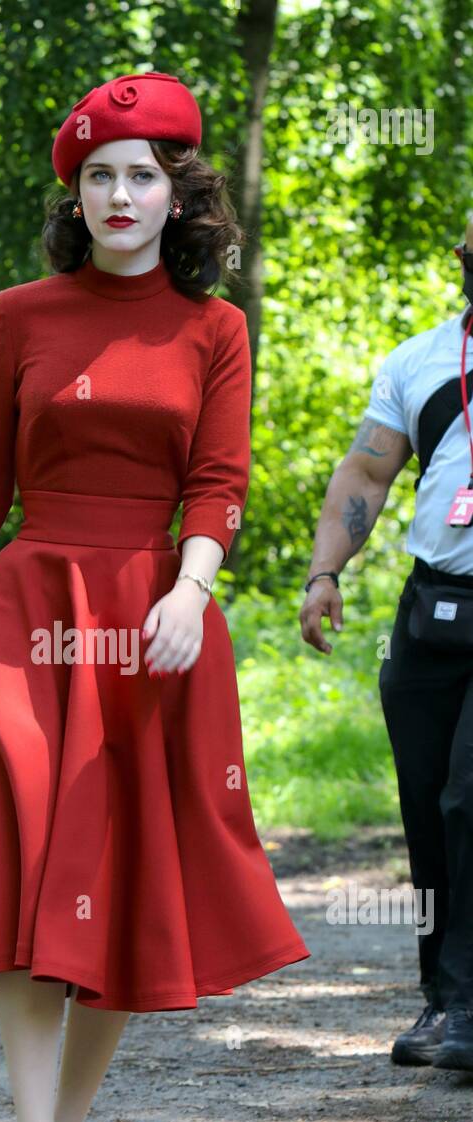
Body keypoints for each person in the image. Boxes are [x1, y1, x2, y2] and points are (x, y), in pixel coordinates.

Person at [0, 70, 310, 1122]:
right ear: (74, 197)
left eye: (141, 176)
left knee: (118, 890)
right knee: (23, 860)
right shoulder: (19, 315)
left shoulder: (213, 329)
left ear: (178, 196)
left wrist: (190, 586)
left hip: (151, 625)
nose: (118, 195)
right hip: (24, 615)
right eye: (97, 178)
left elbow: (216, 483)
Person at [300, 214, 473, 1074]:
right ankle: (446, 1000)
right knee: (428, 807)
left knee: (470, 798)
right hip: (432, 611)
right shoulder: (421, 360)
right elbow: (366, 474)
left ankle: (471, 1005)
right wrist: (323, 574)